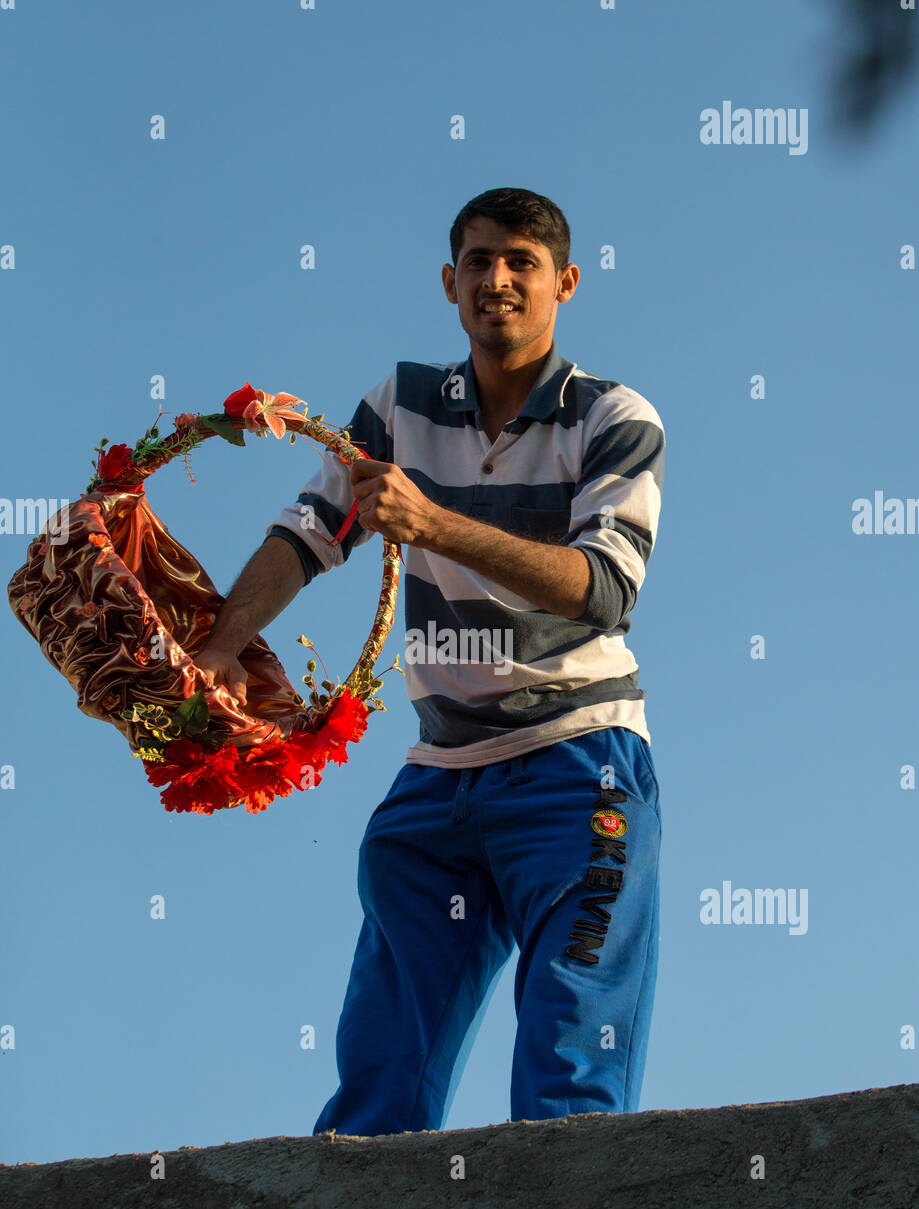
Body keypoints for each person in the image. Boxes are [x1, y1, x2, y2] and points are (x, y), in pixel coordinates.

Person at [196, 187, 665, 1137]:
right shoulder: (399, 403)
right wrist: (215, 650)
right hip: (439, 772)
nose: (498, 279)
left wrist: (437, 524)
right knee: (378, 1075)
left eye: (521, 263)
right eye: (480, 261)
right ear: (449, 283)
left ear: (563, 284)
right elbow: (309, 530)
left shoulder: (613, 417)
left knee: (570, 1066)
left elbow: (603, 587)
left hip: (580, 761)